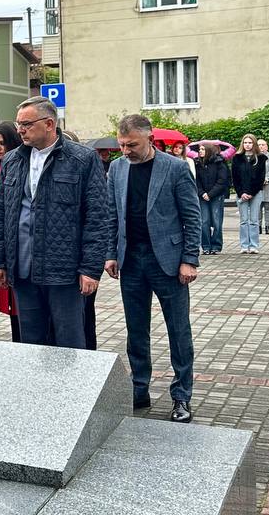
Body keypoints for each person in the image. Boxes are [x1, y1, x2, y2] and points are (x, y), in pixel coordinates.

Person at [0, 97, 110, 350]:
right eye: (18, 123)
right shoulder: (13, 160)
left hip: (63, 272)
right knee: (31, 343)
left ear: (49, 123)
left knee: (69, 343)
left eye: (26, 124)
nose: (20, 129)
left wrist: (90, 268)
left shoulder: (82, 159)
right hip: (23, 270)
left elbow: (97, 217)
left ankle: (72, 390)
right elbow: (0, 214)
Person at [104, 114, 201, 424]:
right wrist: (110, 254)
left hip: (168, 263)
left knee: (178, 330)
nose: (126, 151)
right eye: (121, 145)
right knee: (136, 330)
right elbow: (111, 215)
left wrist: (189, 259)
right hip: (131, 260)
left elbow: (192, 216)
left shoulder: (174, 168)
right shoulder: (117, 169)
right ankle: (139, 388)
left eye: (132, 144)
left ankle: (181, 395)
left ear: (149, 139)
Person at [0, 122, 24, 343]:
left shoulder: (20, 165)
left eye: (2, 143)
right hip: (3, 242)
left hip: (20, 240)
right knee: (10, 300)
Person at [230, 134, 266, 255]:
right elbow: (235, 178)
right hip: (241, 193)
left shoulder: (260, 158)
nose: (247, 145)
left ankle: (254, 245)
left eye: (250, 142)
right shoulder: (237, 158)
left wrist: (251, 193)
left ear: (254, 144)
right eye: (245, 142)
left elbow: (261, 178)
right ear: (242, 144)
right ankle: (244, 245)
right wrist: (241, 193)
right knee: (244, 220)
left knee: (254, 220)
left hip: (255, 193)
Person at [193, 144, 229, 255]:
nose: (200, 151)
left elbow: (222, 180)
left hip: (216, 196)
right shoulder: (198, 163)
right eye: (200, 149)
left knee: (217, 222)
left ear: (209, 151)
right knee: (204, 222)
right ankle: (206, 246)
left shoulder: (219, 163)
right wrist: (202, 193)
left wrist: (211, 194)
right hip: (202, 196)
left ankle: (216, 245)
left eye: (203, 149)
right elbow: (196, 180)